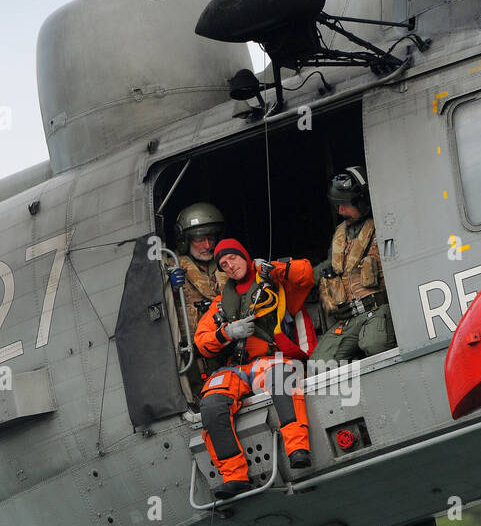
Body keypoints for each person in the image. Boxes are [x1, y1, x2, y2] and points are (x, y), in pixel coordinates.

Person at [195, 238, 316, 499]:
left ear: (245, 256)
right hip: (235, 369)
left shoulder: (275, 284)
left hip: (269, 360)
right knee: (212, 403)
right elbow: (202, 343)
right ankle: (234, 476)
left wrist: (272, 268)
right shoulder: (219, 304)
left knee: (281, 377)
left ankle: (297, 449)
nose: (229, 266)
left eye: (233, 259)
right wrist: (226, 332)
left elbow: (305, 275)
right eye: (224, 264)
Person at [311, 166, 396, 366]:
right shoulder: (340, 236)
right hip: (349, 318)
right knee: (319, 364)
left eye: (345, 204)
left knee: (375, 344)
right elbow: (329, 269)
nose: (340, 211)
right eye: (337, 205)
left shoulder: (384, 226)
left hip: (378, 308)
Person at [169, 202, 228, 396]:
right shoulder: (172, 267)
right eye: (200, 239)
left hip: (229, 344)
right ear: (184, 240)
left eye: (211, 238)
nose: (207, 245)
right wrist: (167, 286)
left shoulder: (228, 262)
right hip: (196, 355)